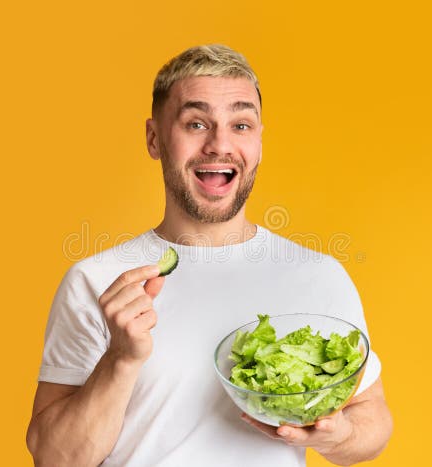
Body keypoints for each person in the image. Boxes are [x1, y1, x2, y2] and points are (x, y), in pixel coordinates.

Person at [26, 44, 393, 467]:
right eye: (196, 123)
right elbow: (55, 459)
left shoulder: (318, 275)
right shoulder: (97, 281)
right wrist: (121, 360)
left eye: (240, 125)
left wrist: (338, 434)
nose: (220, 145)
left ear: (258, 139)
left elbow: (373, 421)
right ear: (154, 138)